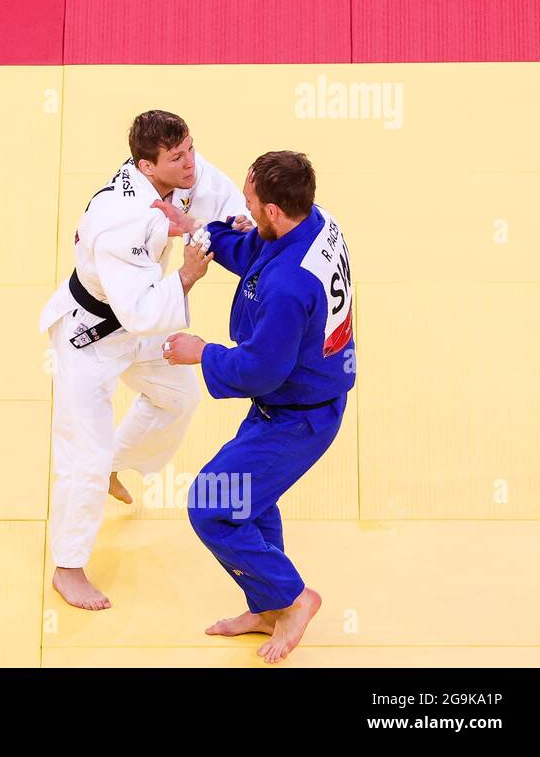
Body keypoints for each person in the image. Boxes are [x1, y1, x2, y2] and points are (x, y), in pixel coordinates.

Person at [40, 109, 247, 610]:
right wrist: (189, 276)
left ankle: (118, 463)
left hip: (139, 323)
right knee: (82, 455)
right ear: (147, 165)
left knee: (178, 396)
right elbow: (140, 311)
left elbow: (221, 201)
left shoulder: (176, 173)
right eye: (178, 157)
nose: (191, 162)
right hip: (90, 335)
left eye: (191, 149)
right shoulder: (119, 222)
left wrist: (236, 222)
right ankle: (68, 568)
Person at [163, 150, 355, 662]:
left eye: (250, 203)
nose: (242, 211)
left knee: (210, 505)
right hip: (297, 397)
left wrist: (201, 352)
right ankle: (268, 605)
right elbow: (256, 251)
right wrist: (196, 230)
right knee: (251, 500)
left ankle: (293, 600)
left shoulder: (290, 286)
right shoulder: (315, 221)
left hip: (299, 416)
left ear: (273, 209)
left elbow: (261, 370)